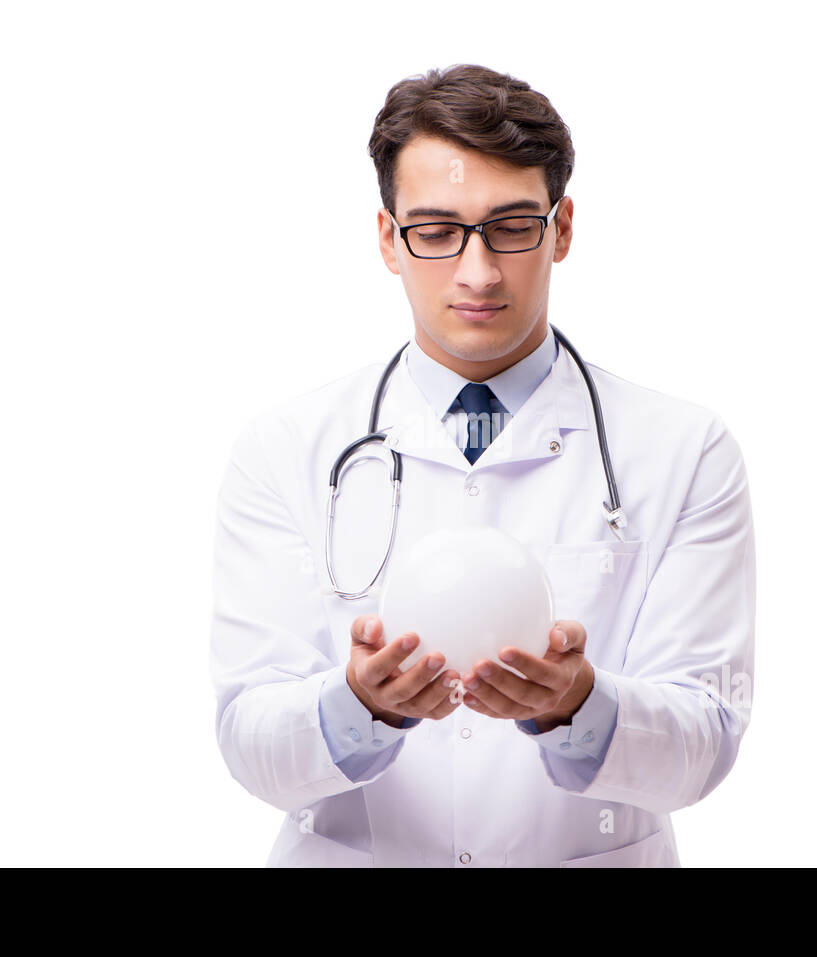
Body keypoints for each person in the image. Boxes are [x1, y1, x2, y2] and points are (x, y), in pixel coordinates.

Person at [209, 63, 756, 867]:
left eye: (511, 226)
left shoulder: (684, 448)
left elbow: (704, 741)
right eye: (436, 231)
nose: (478, 272)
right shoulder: (285, 449)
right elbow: (249, 740)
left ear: (562, 228)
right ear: (390, 240)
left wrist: (580, 705)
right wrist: (356, 706)